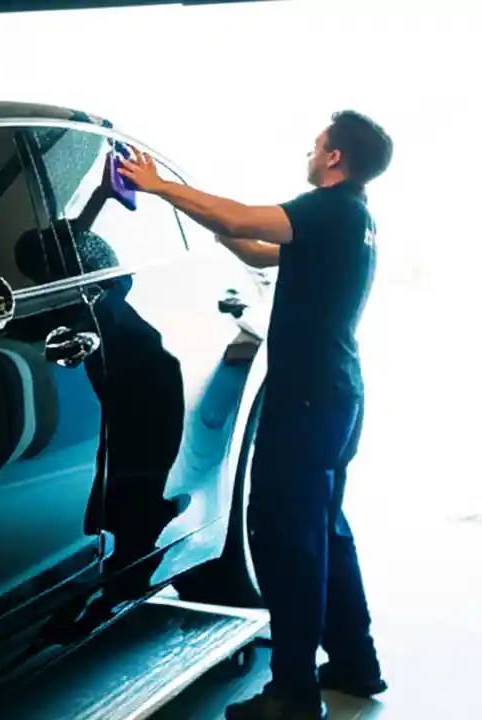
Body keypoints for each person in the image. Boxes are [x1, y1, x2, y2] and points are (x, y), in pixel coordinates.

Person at [116, 110, 393, 720]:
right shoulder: (356, 218)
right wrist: (189, 209)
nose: (310, 152)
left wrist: (159, 184)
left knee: (286, 538)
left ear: (336, 158)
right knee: (324, 530)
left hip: (307, 400)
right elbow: (255, 248)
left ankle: (292, 693)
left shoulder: (329, 206)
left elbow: (242, 217)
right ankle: (355, 662)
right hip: (337, 394)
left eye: (317, 145)